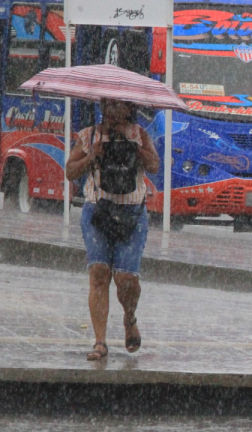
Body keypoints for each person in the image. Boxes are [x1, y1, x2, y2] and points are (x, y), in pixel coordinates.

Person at [65, 98, 160, 361]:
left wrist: (135, 149)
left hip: (132, 214)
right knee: (99, 274)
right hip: (98, 211)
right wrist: (91, 156)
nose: (113, 111)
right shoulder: (89, 135)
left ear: (130, 109)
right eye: (108, 106)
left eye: (120, 106)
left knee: (126, 279)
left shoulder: (140, 135)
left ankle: (129, 318)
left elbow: (154, 165)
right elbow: (70, 171)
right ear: (102, 107)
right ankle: (100, 342)